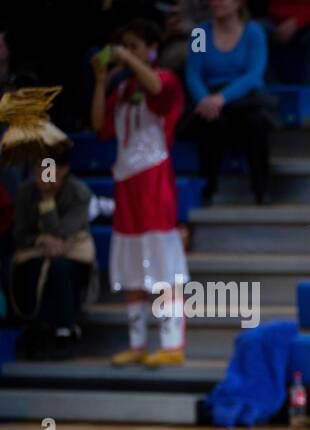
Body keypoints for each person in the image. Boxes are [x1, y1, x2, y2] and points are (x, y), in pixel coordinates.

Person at [91, 18, 191, 368]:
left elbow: (158, 92)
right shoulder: (121, 88)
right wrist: (102, 80)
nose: (125, 53)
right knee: (130, 264)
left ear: (151, 49)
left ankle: (171, 342)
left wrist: (133, 59)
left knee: (165, 265)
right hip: (126, 181)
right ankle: (136, 343)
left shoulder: (165, 78)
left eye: (134, 45)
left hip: (154, 180)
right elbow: (98, 126)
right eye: (124, 46)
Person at [184, 0, 273, 204]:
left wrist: (222, 98)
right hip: (209, 97)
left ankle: (261, 189)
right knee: (211, 121)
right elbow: (193, 75)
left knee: (255, 122)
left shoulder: (254, 32)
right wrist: (205, 99)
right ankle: (207, 190)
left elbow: (254, 75)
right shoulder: (201, 33)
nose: (216, 2)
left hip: (243, 98)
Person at [10, 145, 95, 360]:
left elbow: (62, 236)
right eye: (39, 166)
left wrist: (47, 201)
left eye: (49, 166)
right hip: (35, 254)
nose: (42, 172)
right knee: (32, 266)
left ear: (64, 168)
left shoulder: (79, 193)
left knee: (60, 267)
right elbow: (19, 234)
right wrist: (39, 239)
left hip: (71, 256)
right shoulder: (25, 191)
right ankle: (34, 328)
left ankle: (65, 330)